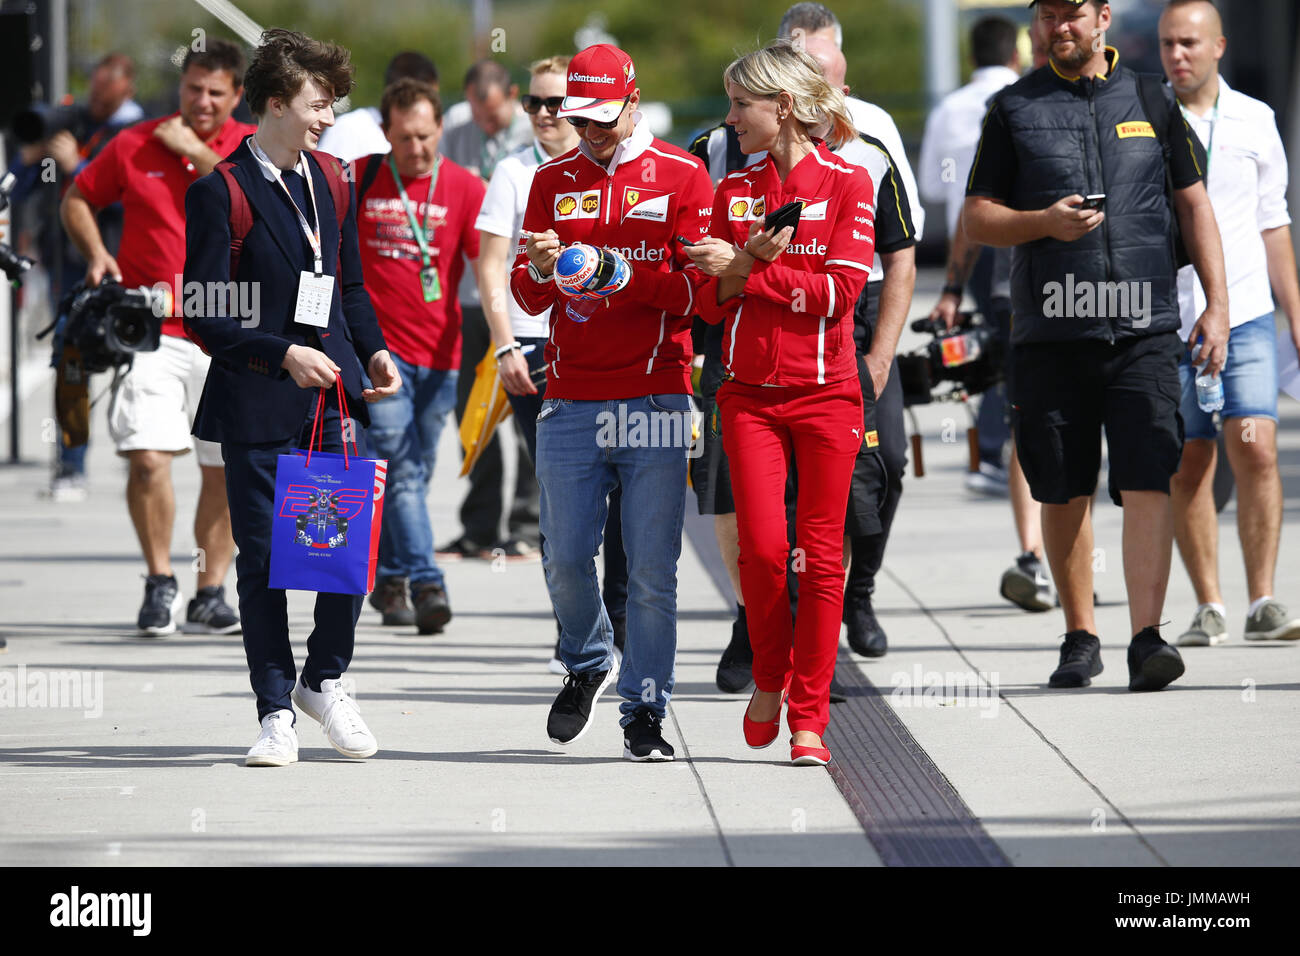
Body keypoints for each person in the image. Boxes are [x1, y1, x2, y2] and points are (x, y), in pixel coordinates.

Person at [963, 0, 1230, 691]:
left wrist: (1218, 306)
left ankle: (1147, 637)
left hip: (1143, 327)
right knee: (1061, 486)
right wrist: (1042, 223)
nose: (1063, 26)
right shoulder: (1012, 107)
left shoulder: (1152, 97)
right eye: (1048, 14)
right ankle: (1080, 635)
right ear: (1035, 24)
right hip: (1051, 332)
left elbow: (1194, 204)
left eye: (1074, 12)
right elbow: (978, 218)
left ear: (1103, 16)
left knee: (1149, 474)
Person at [183, 28, 401, 766]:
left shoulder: (333, 179)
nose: (328, 117)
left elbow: (350, 288)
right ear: (275, 103)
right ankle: (276, 710)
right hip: (256, 402)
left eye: (333, 104)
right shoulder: (220, 191)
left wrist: (371, 348)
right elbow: (206, 313)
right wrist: (282, 353)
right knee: (266, 562)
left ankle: (324, 680)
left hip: (330, 401)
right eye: (317, 103)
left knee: (341, 558)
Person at [511, 43, 713, 761]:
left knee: (653, 570)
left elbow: (704, 294)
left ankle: (646, 709)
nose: (592, 134)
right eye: (580, 120)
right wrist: (539, 268)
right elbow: (528, 296)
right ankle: (589, 658)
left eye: (604, 119)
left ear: (634, 101)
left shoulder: (686, 176)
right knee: (564, 557)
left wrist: (622, 274)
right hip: (569, 396)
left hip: (656, 395)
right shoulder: (550, 180)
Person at [687, 41, 875, 765]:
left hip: (829, 395)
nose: (729, 118)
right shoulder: (731, 190)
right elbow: (706, 300)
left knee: (822, 560)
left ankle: (809, 718)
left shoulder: (849, 183)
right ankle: (770, 674)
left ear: (784, 107)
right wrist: (743, 269)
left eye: (741, 105)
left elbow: (838, 296)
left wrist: (747, 270)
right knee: (763, 553)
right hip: (748, 397)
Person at [60, 40, 252, 637]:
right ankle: (158, 579)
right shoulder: (135, 142)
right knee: (146, 458)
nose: (202, 101)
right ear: (182, 85)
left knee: (224, 469)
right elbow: (77, 198)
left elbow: (255, 211)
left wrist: (198, 155)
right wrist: (96, 255)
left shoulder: (252, 146)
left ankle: (210, 589)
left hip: (230, 329)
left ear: (236, 96)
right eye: (193, 88)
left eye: (216, 92)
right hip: (151, 328)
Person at [473, 56, 629, 672]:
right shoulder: (515, 171)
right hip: (537, 348)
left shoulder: (617, 168)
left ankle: (617, 623)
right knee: (563, 503)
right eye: (533, 103)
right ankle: (578, 634)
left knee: (623, 496)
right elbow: (491, 266)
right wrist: (505, 344)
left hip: (612, 349)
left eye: (554, 102)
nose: (543, 114)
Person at [1159, 0, 1300, 645]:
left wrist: (1294, 311)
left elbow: (1274, 223)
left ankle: (1264, 599)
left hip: (1243, 313)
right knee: (1189, 460)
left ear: (1219, 46)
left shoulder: (1254, 119)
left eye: (1189, 42)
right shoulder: (1142, 116)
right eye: (1166, 44)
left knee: (1256, 447)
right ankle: (1208, 605)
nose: (1177, 55)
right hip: (1173, 319)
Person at [919, 15, 1056, 612]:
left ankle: (1052, 552)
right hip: (1008, 274)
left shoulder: (952, 107)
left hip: (1063, 286)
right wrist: (950, 283)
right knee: (1024, 400)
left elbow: (939, 192)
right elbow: (976, 203)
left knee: (1050, 415)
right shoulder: (1008, 107)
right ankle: (1033, 553)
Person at [352, 79, 484, 635]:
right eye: (405, 138)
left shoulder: (465, 187)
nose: (417, 149)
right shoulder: (356, 177)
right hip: (379, 355)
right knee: (400, 469)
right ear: (386, 134)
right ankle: (429, 582)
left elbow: (492, 267)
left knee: (416, 471)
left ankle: (386, 576)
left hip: (442, 356)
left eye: (426, 136)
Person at [11, 53, 144, 501]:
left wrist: (75, 167)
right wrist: (31, 158)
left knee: (139, 360)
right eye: (94, 87)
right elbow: (17, 186)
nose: (96, 98)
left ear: (127, 88)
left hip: (123, 263)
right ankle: (71, 466)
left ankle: (145, 458)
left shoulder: (136, 134)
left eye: (107, 90)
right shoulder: (75, 124)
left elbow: (129, 198)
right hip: (67, 267)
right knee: (71, 360)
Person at [439, 60, 539, 561]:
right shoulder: (456, 130)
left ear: (513, 97)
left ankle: (525, 524)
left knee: (527, 415)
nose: (486, 123)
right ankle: (478, 527)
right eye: (478, 113)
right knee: (472, 413)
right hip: (470, 295)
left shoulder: (539, 130)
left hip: (522, 298)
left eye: (495, 114)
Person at [317, 51, 439, 162]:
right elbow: (325, 180)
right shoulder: (348, 129)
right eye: (404, 138)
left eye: (422, 137)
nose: (415, 150)